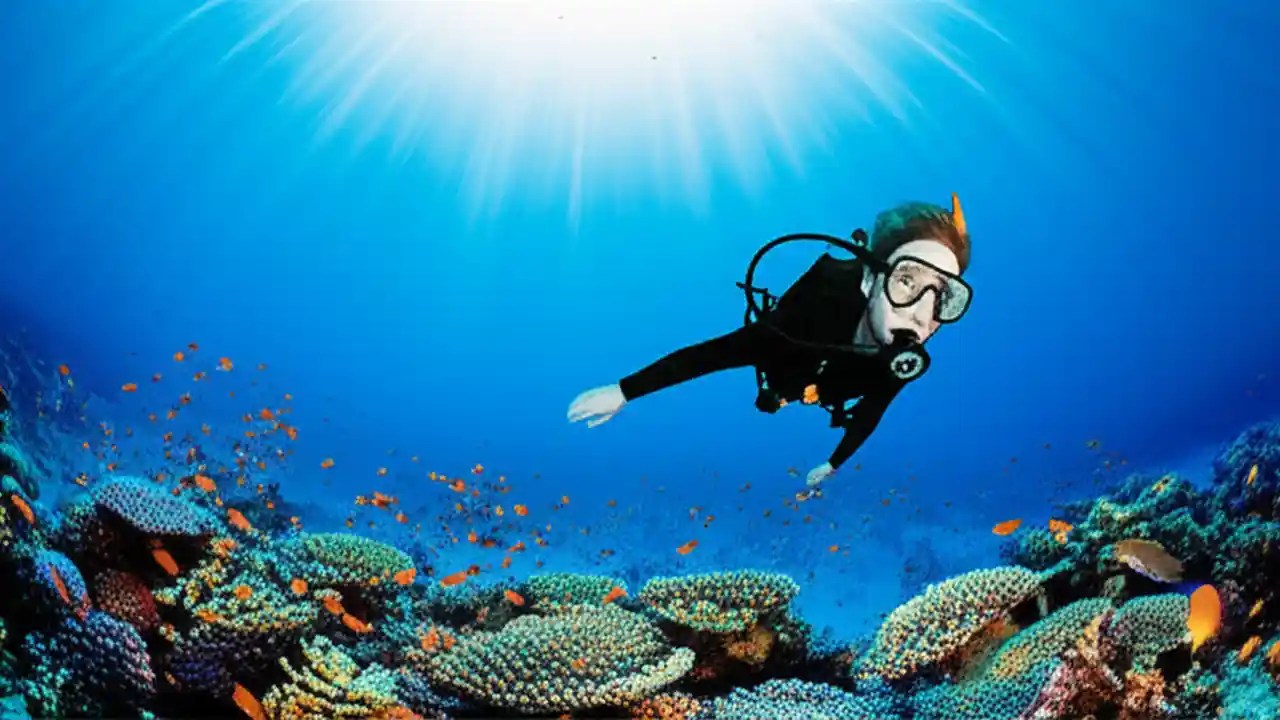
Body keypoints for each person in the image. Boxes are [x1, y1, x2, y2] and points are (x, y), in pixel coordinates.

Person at [567, 195, 972, 487]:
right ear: (869, 278)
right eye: (907, 281)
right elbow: (709, 355)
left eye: (943, 296)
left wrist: (832, 464)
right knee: (778, 390)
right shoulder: (799, 325)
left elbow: (873, 410)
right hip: (790, 369)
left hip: (831, 387)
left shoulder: (899, 361)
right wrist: (622, 391)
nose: (922, 313)